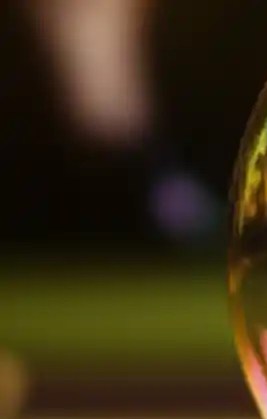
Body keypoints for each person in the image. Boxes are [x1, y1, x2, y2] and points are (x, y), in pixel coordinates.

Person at [22, 0, 220, 247]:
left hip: (131, 128)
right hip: (85, 132)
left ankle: (192, 228)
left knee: (157, 185)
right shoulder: (58, 16)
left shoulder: (117, 8)